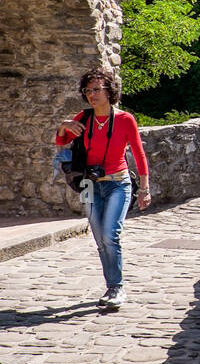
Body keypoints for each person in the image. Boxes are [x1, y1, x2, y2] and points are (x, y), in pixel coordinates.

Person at [54, 68, 151, 309]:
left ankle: (117, 287)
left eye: (97, 89)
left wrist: (145, 188)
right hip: (89, 185)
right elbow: (61, 141)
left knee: (110, 235)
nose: (92, 95)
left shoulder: (125, 119)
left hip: (118, 183)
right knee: (100, 239)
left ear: (109, 91)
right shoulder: (83, 118)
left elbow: (138, 153)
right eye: (88, 90)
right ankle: (111, 287)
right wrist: (64, 125)